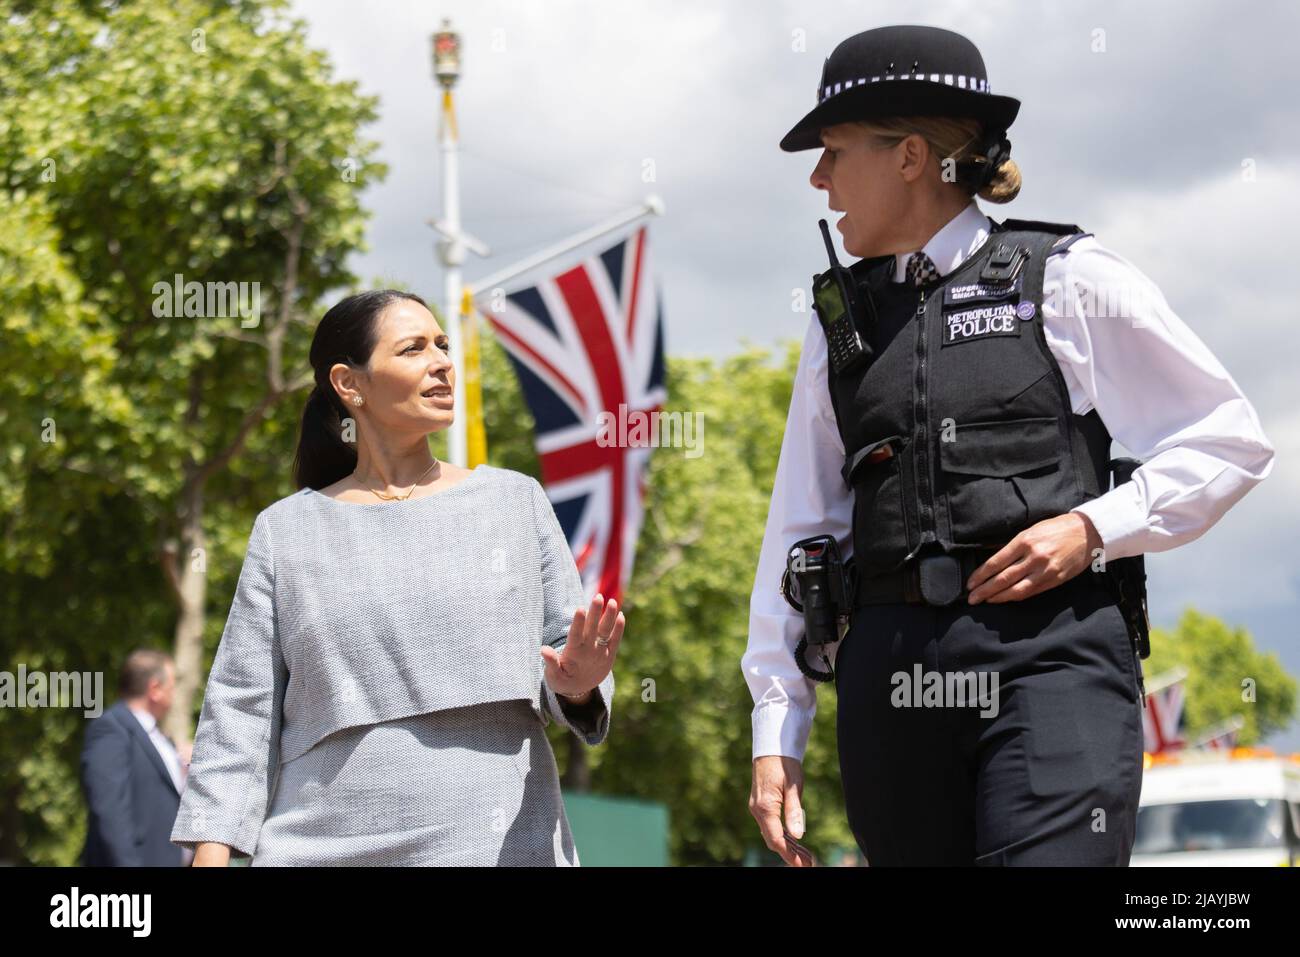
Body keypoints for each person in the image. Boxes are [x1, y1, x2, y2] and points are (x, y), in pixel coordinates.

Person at [744, 24, 1274, 866]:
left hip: (1052, 665)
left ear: (911, 156)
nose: (819, 178)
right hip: (893, 689)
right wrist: (778, 724)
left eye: (834, 151)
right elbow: (802, 530)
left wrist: (1093, 527)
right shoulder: (835, 324)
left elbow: (1227, 438)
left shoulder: (1066, 277)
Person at [169, 289, 623, 866]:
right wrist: (211, 855)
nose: (441, 362)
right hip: (317, 847)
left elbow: (568, 661)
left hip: (500, 843)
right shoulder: (286, 531)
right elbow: (242, 707)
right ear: (349, 384)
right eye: (413, 349)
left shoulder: (515, 501)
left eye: (442, 345)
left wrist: (579, 684)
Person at [81, 650, 189, 866]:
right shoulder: (111, 729)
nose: (175, 692)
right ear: (155, 689)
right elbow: (110, 812)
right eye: (172, 685)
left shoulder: (156, 737)